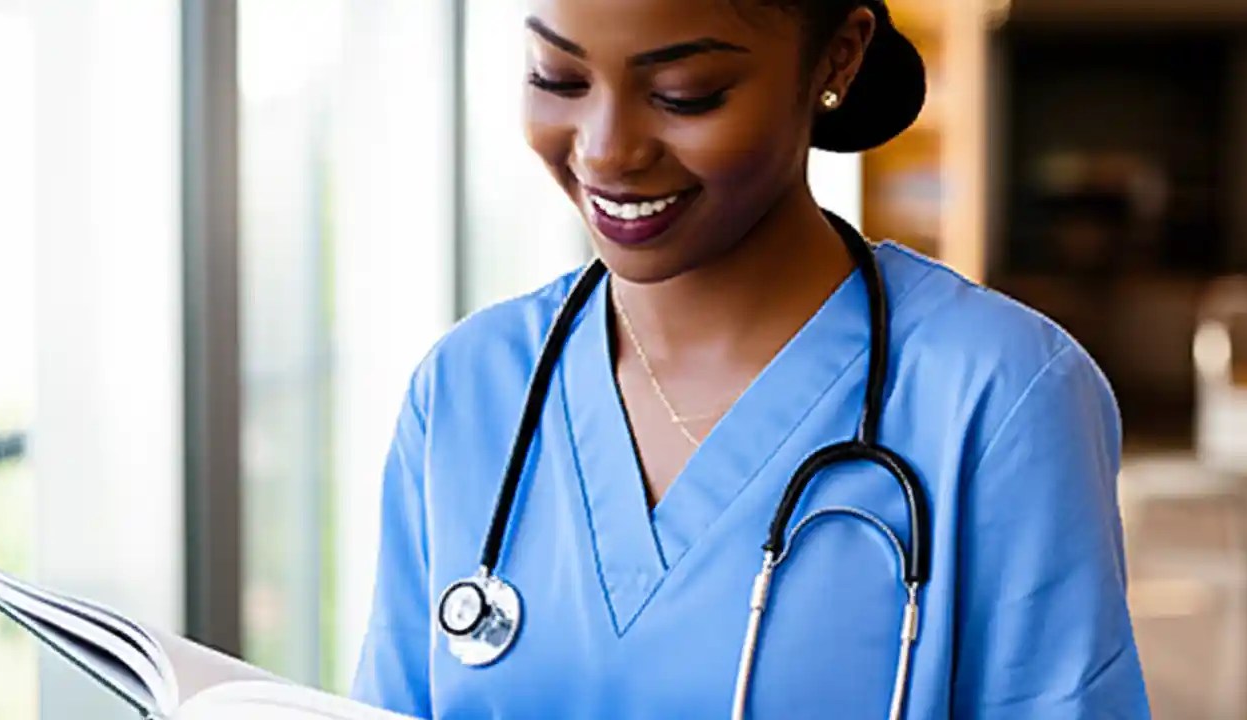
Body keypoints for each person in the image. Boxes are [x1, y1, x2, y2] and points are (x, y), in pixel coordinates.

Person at [351, 0, 1151, 717]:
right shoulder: (467, 387)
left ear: (837, 57)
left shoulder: (998, 393)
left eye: (684, 93)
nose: (605, 152)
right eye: (558, 78)